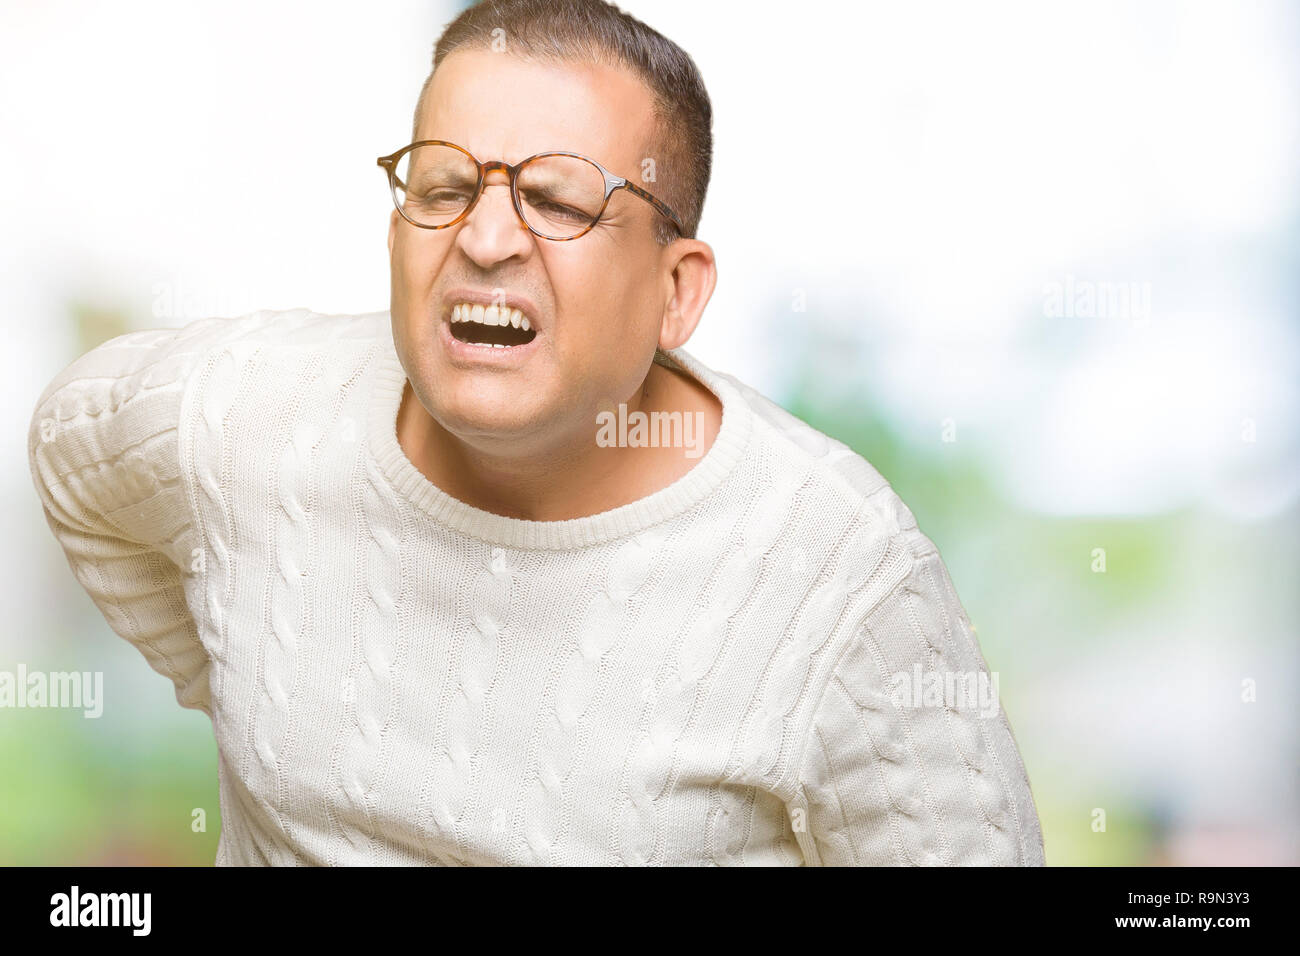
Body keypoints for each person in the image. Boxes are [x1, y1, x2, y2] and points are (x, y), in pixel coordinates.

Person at [26, 0, 1045, 866]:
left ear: (675, 290)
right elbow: (72, 450)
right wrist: (243, 677)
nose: (483, 236)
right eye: (442, 187)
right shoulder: (237, 414)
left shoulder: (839, 570)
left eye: (556, 199)